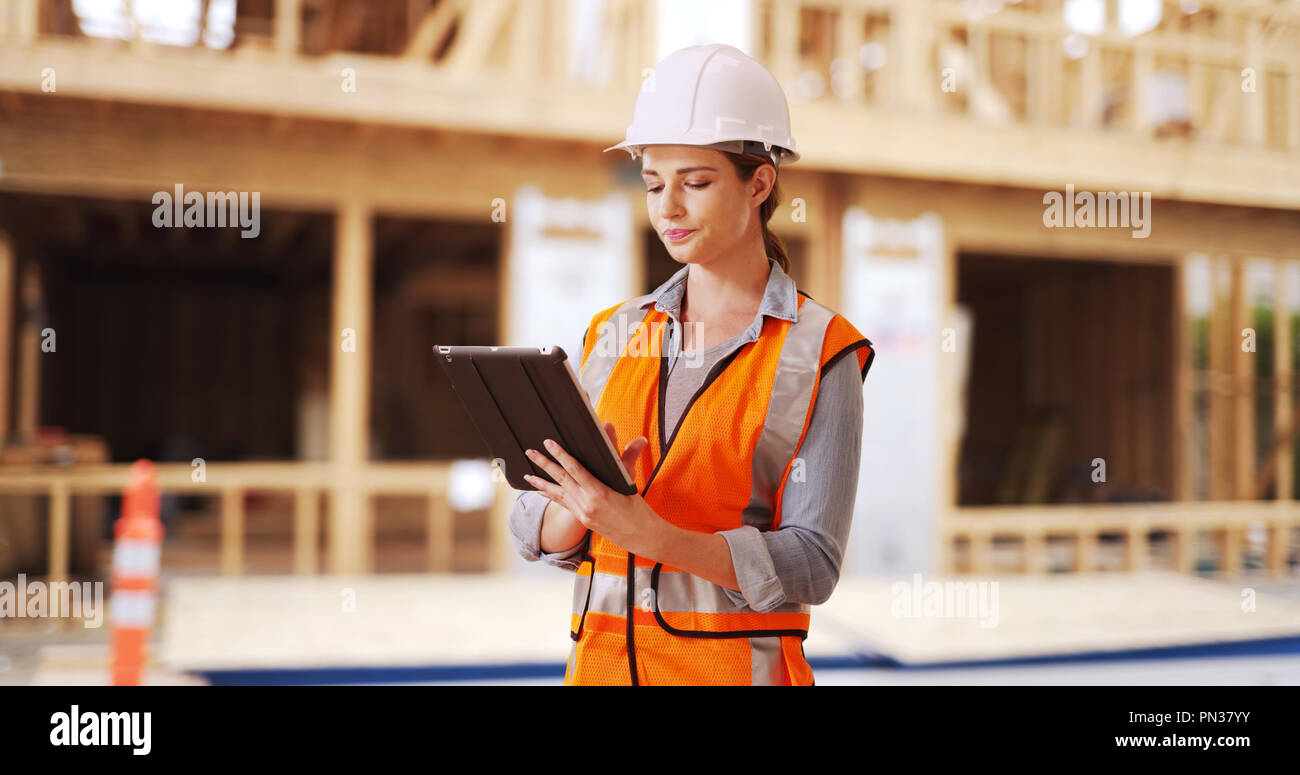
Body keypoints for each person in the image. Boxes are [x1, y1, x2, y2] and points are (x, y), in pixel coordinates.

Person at [507, 43, 874, 685]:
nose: (667, 208)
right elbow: (529, 518)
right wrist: (580, 511)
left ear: (758, 182)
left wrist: (655, 537)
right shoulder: (614, 334)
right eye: (652, 184)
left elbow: (814, 565)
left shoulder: (821, 352)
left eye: (695, 183)